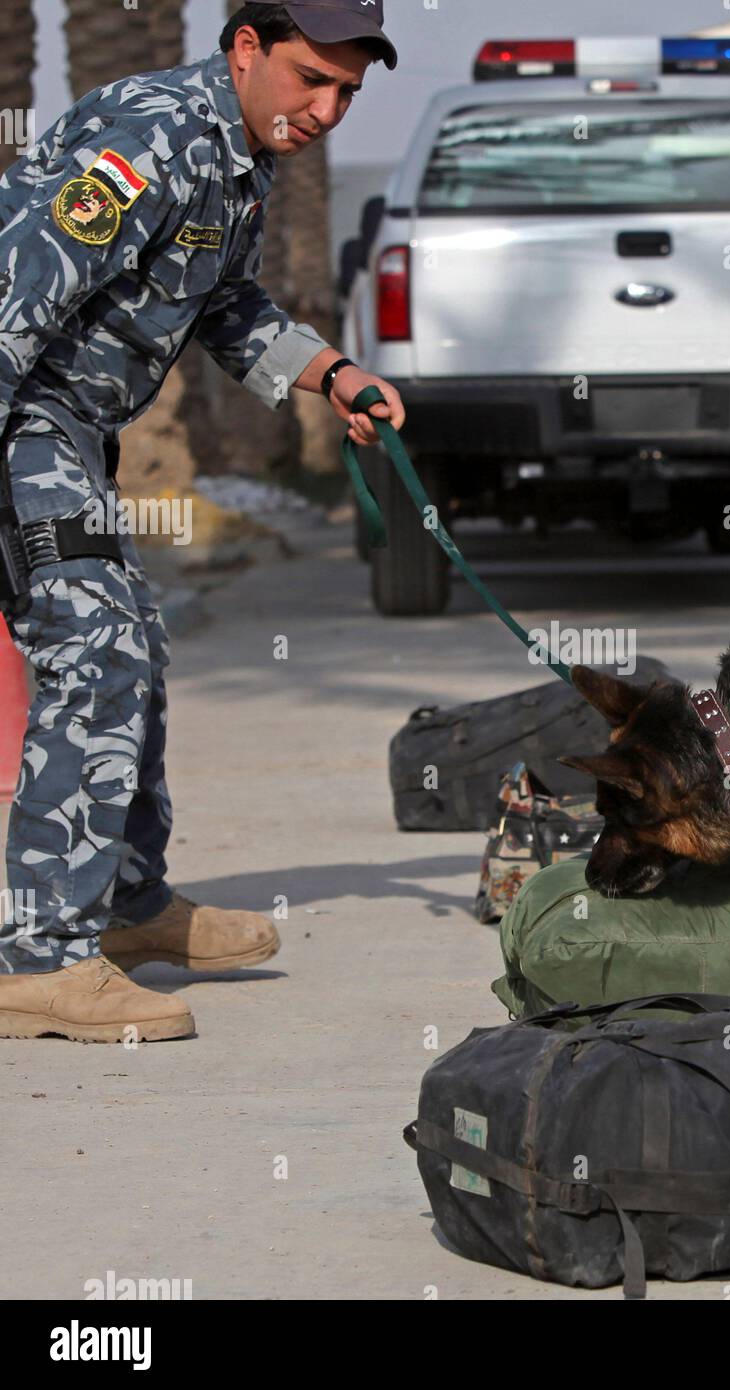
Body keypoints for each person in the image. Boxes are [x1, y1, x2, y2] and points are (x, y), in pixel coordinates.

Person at [0, 1, 404, 1042]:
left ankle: (128, 909)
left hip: (76, 433)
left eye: (347, 94)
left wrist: (335, 373)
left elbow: (225, 307)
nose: (325, 109)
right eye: (311, 77)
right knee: (94, 646)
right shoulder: (150, 140)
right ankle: (39, 959)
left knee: (134, 639)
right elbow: (13, 294)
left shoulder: (237, 155)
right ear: (245, 48)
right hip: (26, 420)